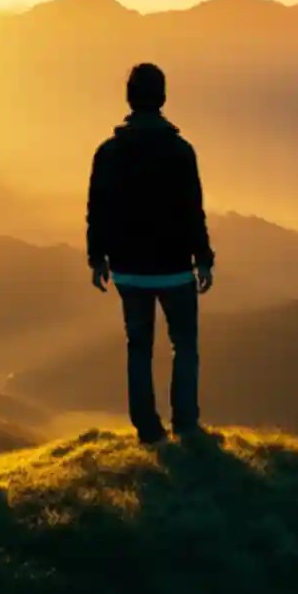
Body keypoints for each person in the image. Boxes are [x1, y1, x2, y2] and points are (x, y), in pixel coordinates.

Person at [86, 63, 215, 444]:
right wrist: (203, 258)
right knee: (184, 346)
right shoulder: (180, 151)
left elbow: (98, 208)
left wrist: (98, 259)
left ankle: (147, 428)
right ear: (162, 98)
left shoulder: (108, 152)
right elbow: (193, 210)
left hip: (128, 270)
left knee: (139, 347)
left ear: (129, 97)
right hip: (175, 268)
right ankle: (186, 424)